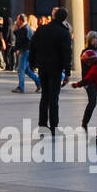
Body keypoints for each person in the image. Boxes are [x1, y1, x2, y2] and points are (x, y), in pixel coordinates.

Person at [28, 7, 72, 136]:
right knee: (54, 98)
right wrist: (67, 72)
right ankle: (54, 126)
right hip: (56, 69)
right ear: (64, 19)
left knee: (44, 97)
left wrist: (32, 63)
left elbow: (33, 46)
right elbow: (66, 53)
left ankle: (42, 124)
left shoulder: (42, 29)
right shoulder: (64, 33)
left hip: (43, 67)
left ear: (54, 16)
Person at [78, 31, 97, 130]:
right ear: (89, 40)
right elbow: (84, 68)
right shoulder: (86, 52)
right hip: (91, 81)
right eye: (94, 38)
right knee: (92, 102)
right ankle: (84, 122)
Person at [10, 14, 40, 94]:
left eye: (17, 19)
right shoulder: (25, 28)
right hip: (27, 51)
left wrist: (17, 49)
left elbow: (23, 41)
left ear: (21, 20)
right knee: (26, 70)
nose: (16, 21)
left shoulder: (25, 29)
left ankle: (21, 87)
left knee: (20, 69)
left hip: (25, 51)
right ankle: (39, 82)